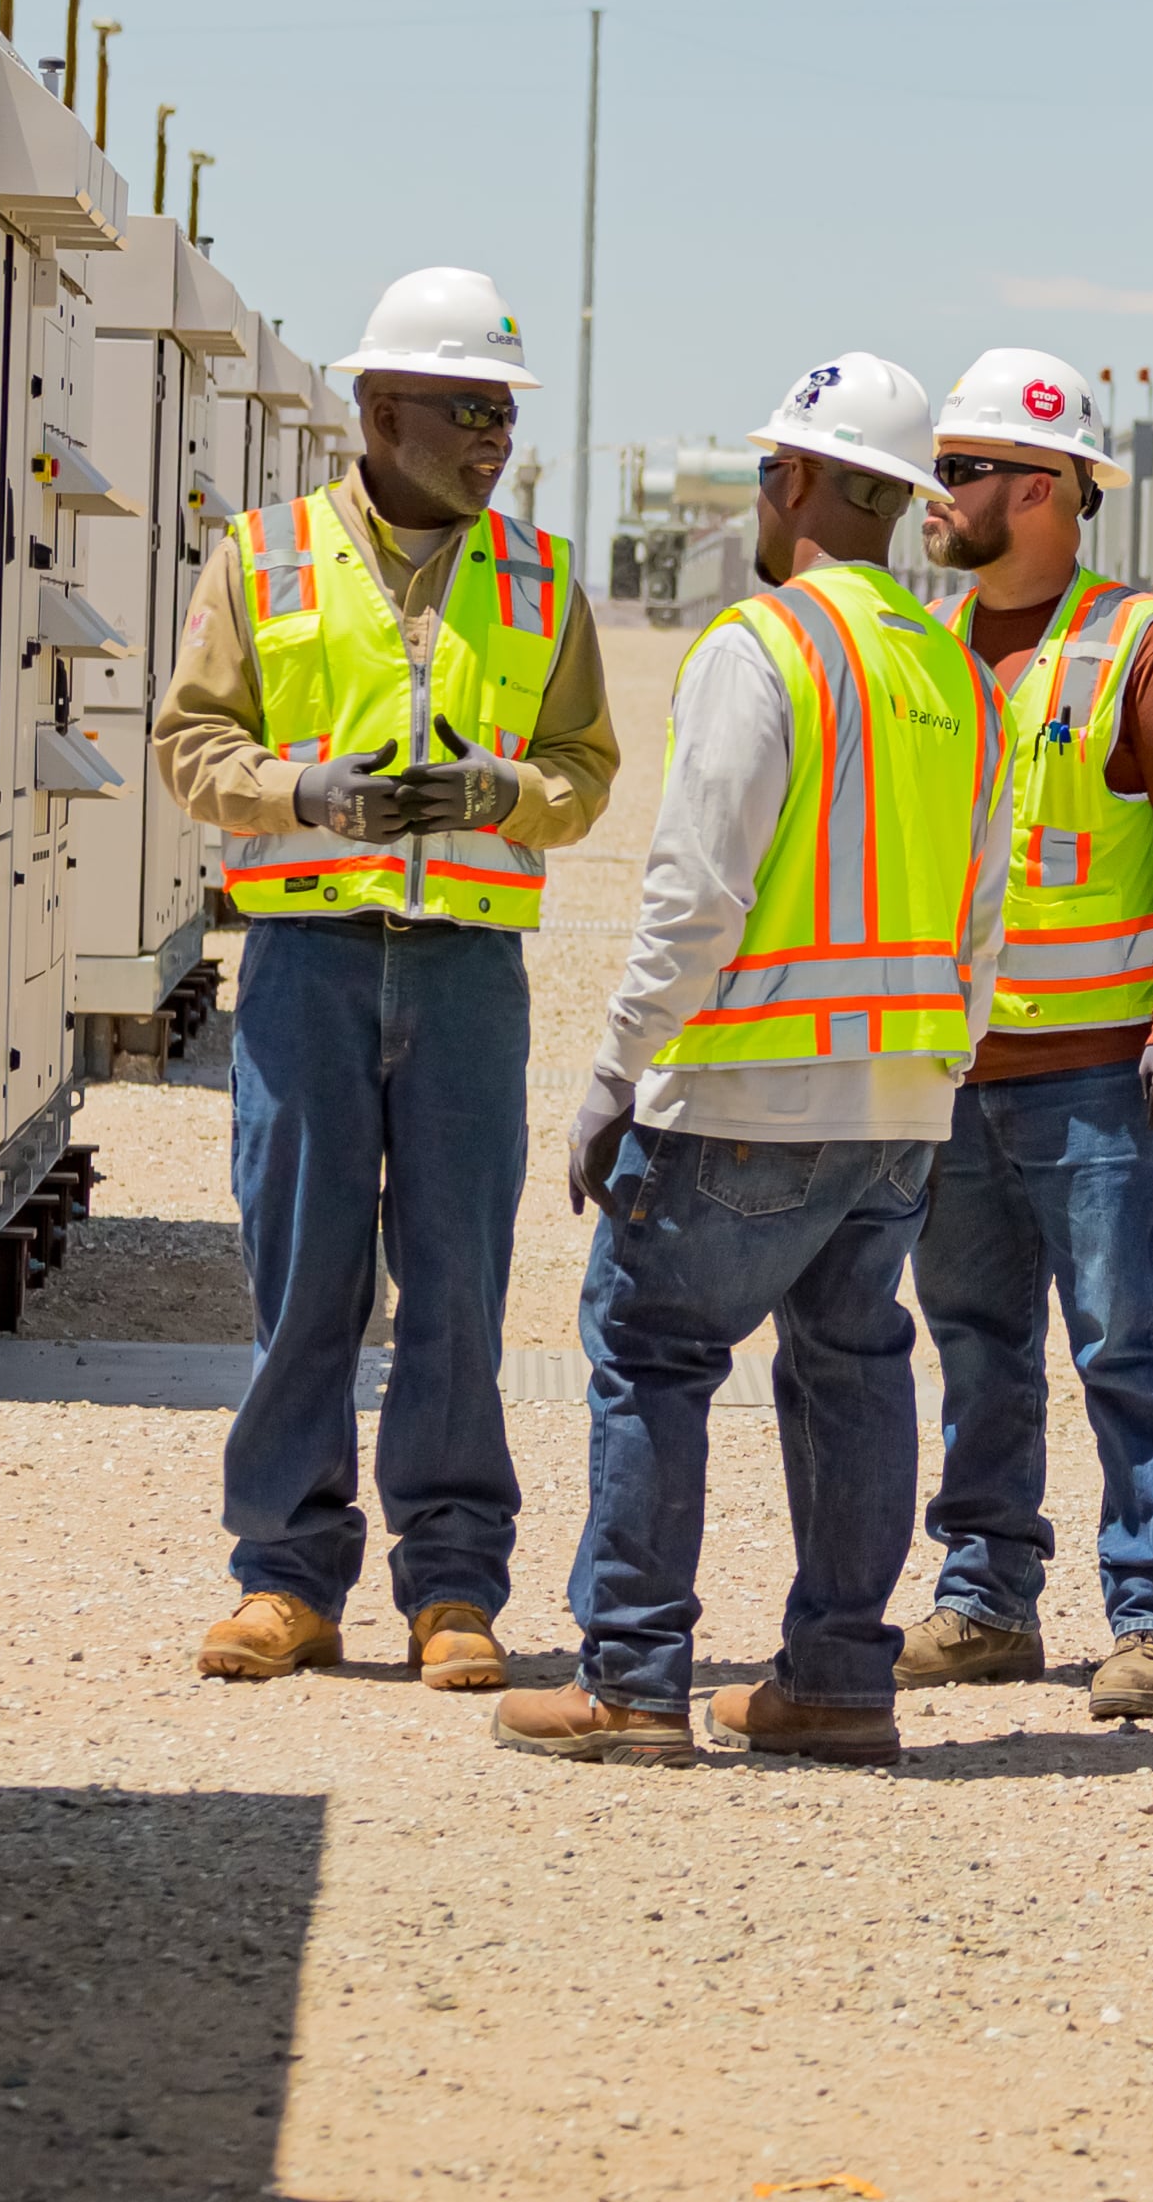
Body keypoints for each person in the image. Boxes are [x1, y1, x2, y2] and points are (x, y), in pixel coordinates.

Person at [491, 355, 1005, 1768]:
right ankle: (837, 1682)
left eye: (771, 471)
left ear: (801, 481)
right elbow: (983, 911)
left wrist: (613, 1072)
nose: (765, 494)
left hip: (744, 1095)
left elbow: (694, 897)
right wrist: (935, 1068)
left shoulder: (758, 647)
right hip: (901, 1100)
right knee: (856, 1372)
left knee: (651, 1357)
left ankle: (632, 1682)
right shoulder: (956, 673)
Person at [152, 264, 619, 1690]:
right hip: (309, 963)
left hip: (469, 974)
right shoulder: (262, 558)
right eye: (469, 410)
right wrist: (304, 794)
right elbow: (190, 746)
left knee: (459, 1289)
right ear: (380, 410)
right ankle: (286, 1579)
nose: (495, 439)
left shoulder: (540, 579)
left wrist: (504, 793)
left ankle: (454, 1586)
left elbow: (584, 768)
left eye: (504, 415)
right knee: (304, 1279)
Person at [896, 346, 1153, 1720]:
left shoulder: (1142, 648)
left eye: (960, 469)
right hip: (952, 1066)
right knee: (975, 1343)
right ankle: (986, 1603)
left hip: (1100, 1072)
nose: (934, 492)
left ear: (1041, 488)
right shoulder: (926, 650)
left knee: (1122, 1344)